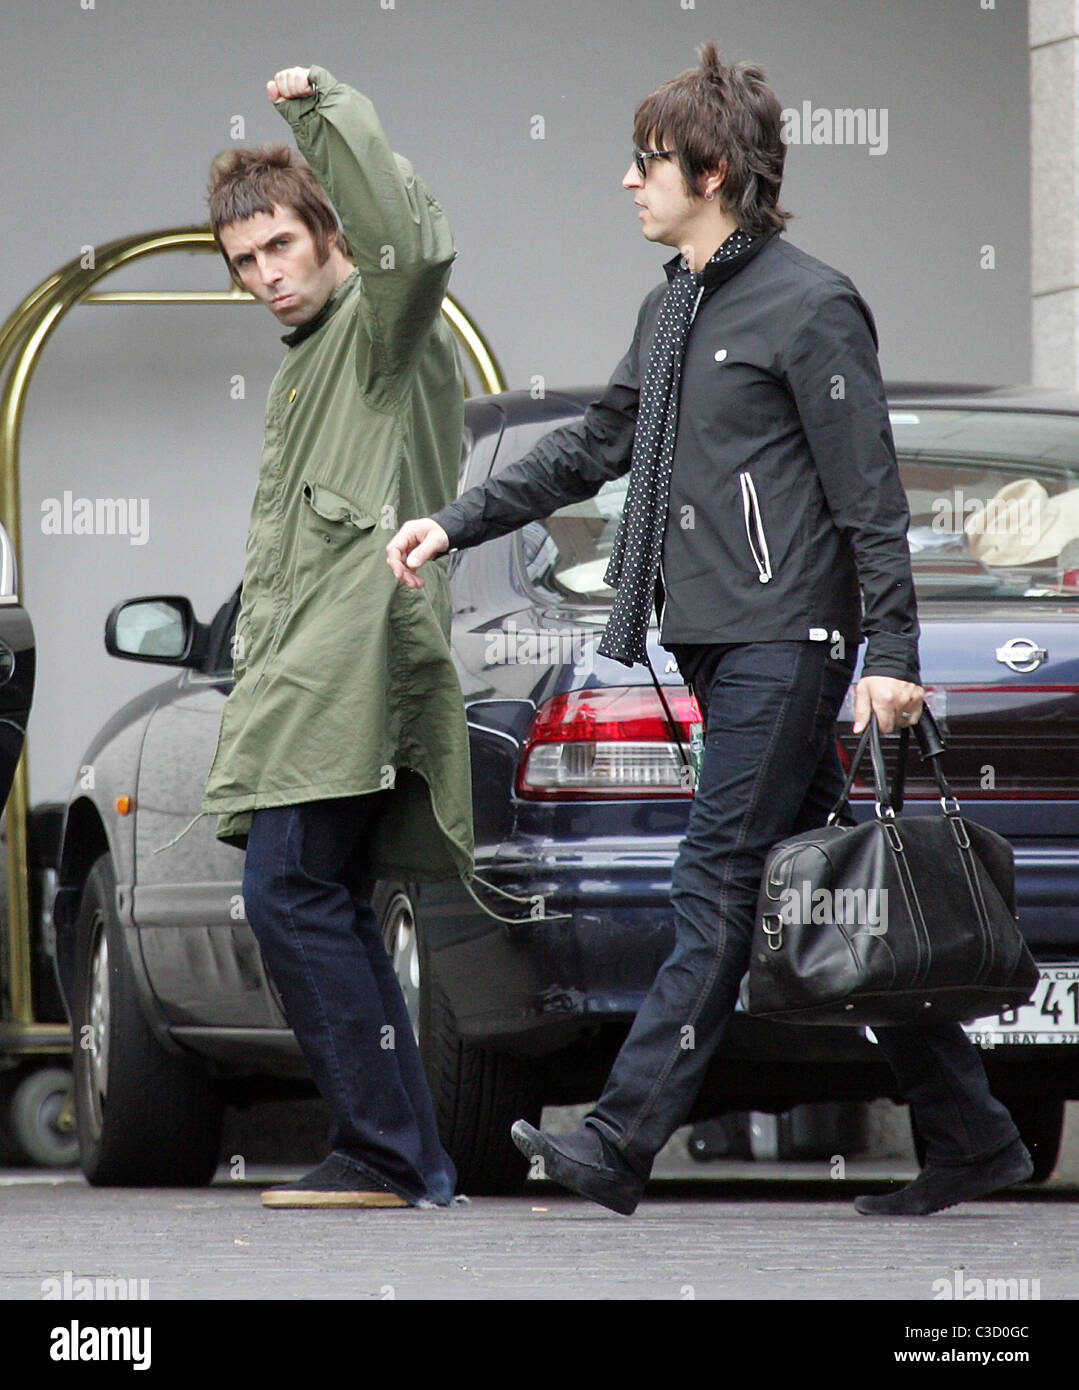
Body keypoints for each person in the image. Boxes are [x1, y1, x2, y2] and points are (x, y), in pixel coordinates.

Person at [386, 43, 1033, 1216]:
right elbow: (594, 446)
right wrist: (453, 519)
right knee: (846, 892)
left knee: (717, 882)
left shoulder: (810, 302)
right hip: (720, 642)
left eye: (647, 162)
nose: (628, 183)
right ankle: (971, 1133)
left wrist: (889, 656)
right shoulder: (674, 306)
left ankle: (621, 1140)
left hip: (788, 642)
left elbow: (867, 495)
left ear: (715, 169)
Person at [202, 64, 473, 1209]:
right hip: (312, 674)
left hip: (352, 669)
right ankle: (402, 1157)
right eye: (243, 263)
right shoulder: (313, 361)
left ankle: (384, 1151)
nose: (265, 277)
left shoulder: (377, 321)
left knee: (287, 891)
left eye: (279, 247)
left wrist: (321, 111)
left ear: (326, 234)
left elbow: (414, 243)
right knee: (317, 898)